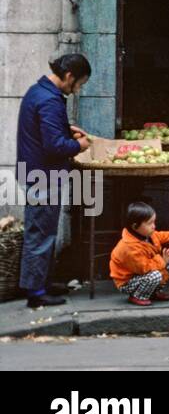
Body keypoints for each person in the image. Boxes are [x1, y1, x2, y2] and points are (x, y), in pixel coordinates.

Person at [15, 53, 93, 309]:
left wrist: (66, 129)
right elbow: (53, 146)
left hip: (37, 173)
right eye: (79, 84)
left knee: (44, 231)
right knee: (40, 234)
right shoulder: (50, 100)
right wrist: (78, 145)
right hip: (44, 176)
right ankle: (36, 293)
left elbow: (45, 133)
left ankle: (42, 283)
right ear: (69, 76)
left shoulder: (36, 92)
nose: (77, 89)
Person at [109, 202, 169, 307]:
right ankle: (138, 296)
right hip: (128, 282)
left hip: (142, 275)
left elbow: (161, 236)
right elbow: (144, 267)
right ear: (135, 226)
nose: (154, 226)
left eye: (154, 222)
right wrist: (162, 261)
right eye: (149, 223)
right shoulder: (129, 247)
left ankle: (152, 293)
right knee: (155, 275)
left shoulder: (147, 235)